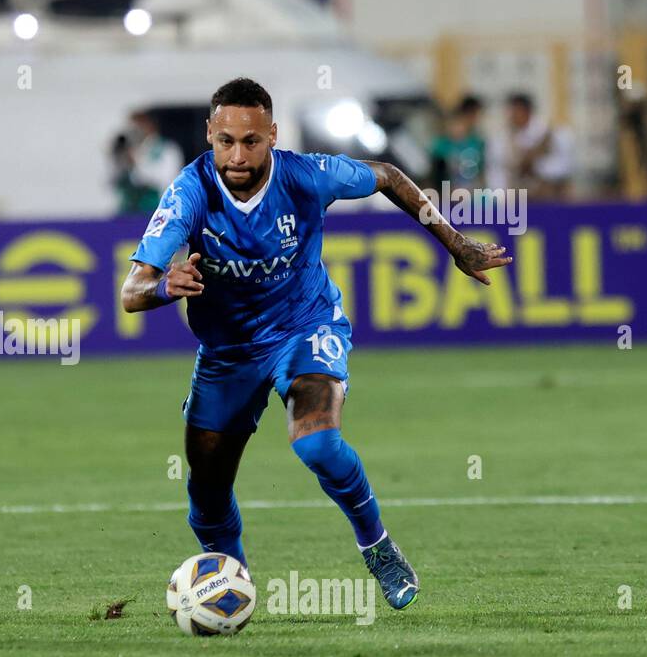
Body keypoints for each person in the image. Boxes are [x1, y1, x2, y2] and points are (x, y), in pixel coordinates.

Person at [120, 78, 511, 610]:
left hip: (306, 327)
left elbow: (388, 177)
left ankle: (378, 547)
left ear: (272, 135)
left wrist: (457, 243)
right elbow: (132, 291)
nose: (237, 154)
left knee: (317, 443)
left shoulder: (307, 175)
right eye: (226, 140)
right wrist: (166, 286)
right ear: (210, 135)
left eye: (251, 141)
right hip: (229, 352)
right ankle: (233, 587)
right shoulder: (188, 193)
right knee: (206, 495)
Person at [488, 92, 573, 199]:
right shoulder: (503, 136)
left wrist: (534, 164)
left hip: (548, 192)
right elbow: (497, 169)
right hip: (517, 194)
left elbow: (563, 166)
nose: (511, 116)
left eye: (514, 111)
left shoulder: (550, 133)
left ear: (525, 111)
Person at [429, 94, 486, 190]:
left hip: (473, 192)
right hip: (447, 193)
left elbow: (481, 171)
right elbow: (435, 173)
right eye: (453, 124)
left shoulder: (477, 142)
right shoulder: (440, 145)